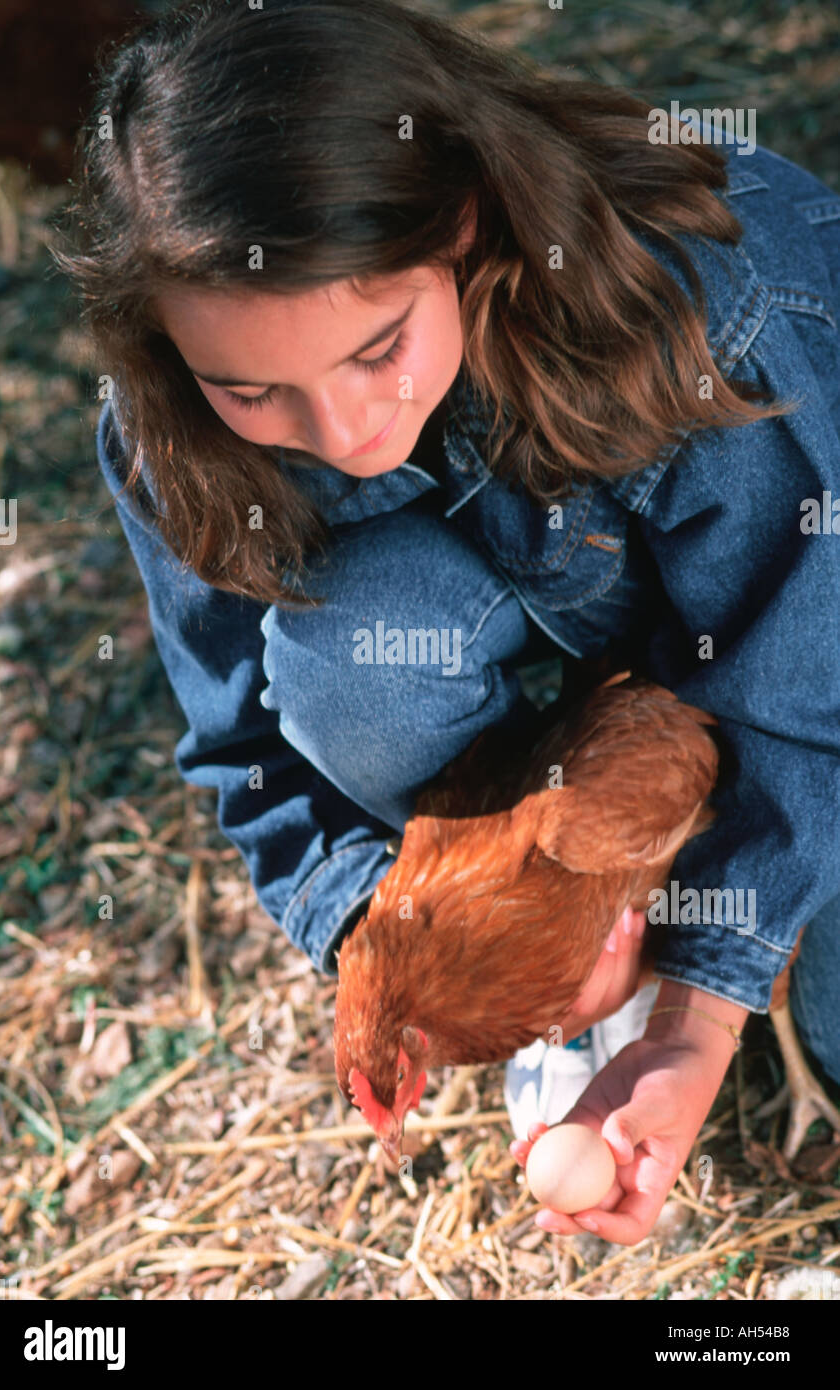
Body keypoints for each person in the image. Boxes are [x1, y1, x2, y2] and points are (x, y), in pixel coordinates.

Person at [51, 0, 840, 1245]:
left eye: (378, 347)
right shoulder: (171, 426)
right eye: (250, 387)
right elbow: (241, 741)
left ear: (460, 225)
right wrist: (433, 941)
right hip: (560, 653)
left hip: (792, 631)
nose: (345, 430)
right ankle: (601, 933)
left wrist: (702, 1009)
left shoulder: (714, 310)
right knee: (351, 668)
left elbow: (811, 687)